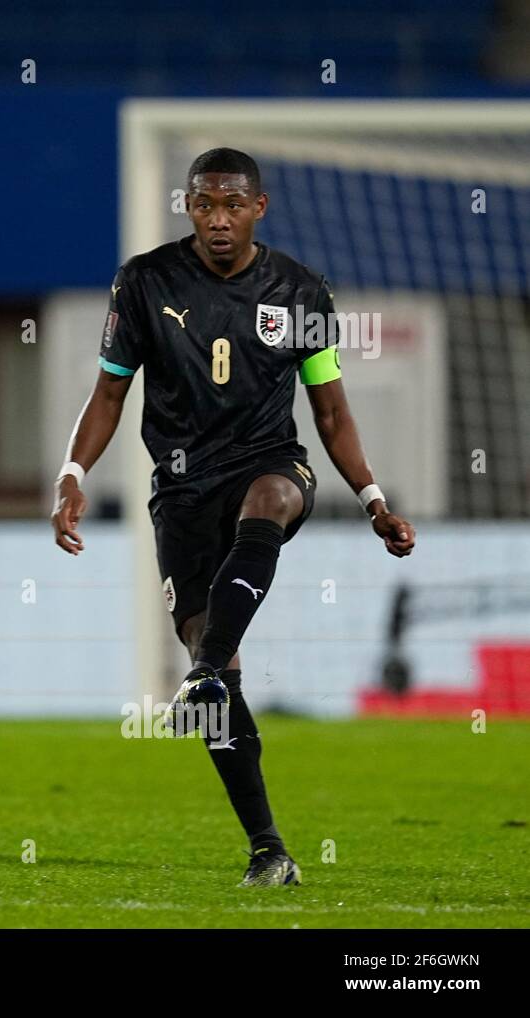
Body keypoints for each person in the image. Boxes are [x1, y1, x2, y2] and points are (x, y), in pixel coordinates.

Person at [50, 148, 415, 887]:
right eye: (204, 205)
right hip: (181, 491)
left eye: (232, 206)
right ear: (188, 206)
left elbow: (331, 410)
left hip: (271, 462)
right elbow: (110, 393)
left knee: (272, 500)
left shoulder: (300, 291)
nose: (218, 220)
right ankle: (268, 848)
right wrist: (71, 474)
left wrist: (374, 498)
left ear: (259, 208)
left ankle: (206, 671)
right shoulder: (145, 282)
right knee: (214, 677)